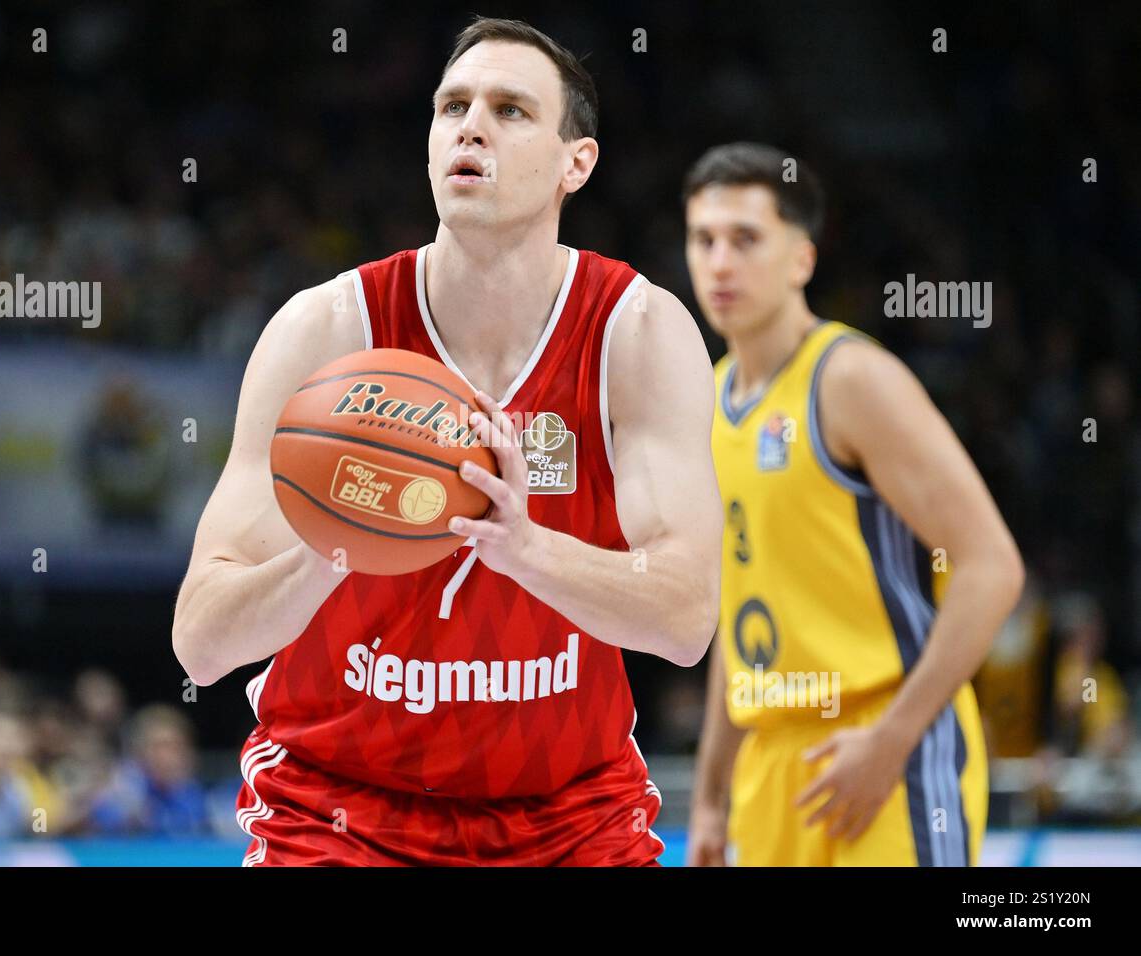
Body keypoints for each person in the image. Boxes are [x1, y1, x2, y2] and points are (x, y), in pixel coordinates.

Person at [172, 17, 722, 866]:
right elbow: (201, 642)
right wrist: (324, 555)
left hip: (568, 815)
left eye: (510, 110)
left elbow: (686, 620)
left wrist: (527, 549)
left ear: (576, 163)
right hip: (337, 810)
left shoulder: (638, 334)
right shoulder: (326, 331)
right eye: (452, 106)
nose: (470, 126)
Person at [683, 143, 1024, 866]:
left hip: (884, 741)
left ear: (802, 259)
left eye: (746, 239)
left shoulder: (853, 381)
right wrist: (710, 797)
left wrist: (893, 739)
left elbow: (993, 567)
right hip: (770, 764)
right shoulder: (704, 402)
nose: (719, 262)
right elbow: (735, 617)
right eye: (703, 239)